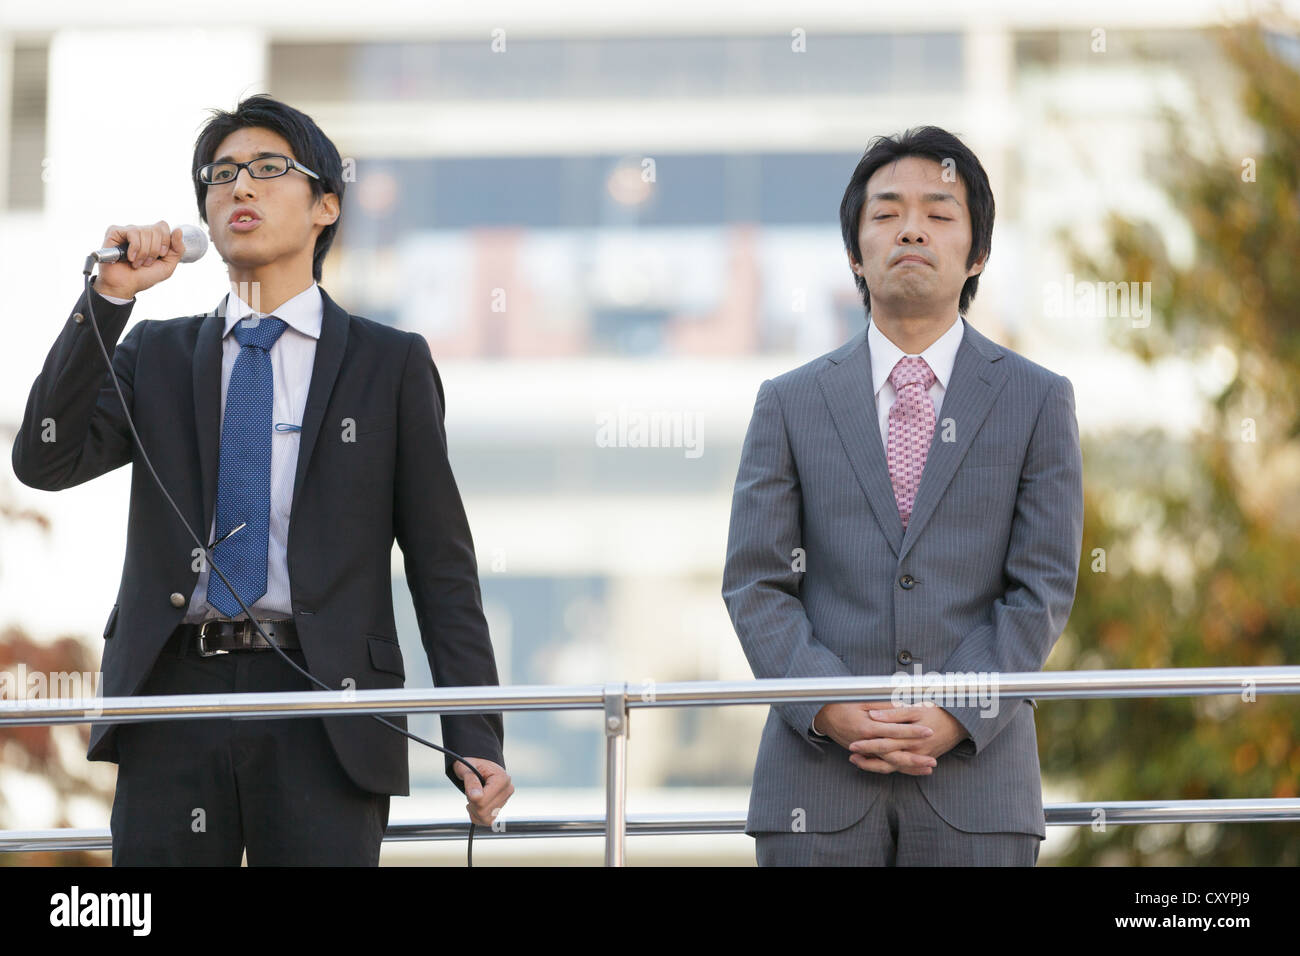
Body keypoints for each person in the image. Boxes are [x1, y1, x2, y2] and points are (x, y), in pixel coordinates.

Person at [11, 94, 512, 865]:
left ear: (325, 205)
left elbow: (442, 566)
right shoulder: (158, 352)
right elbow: (45, 458)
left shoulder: (389, 363)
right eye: (221, 175)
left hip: (328, 706)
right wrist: (107, 298)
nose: (239, 187)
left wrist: (472, 736)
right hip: (171, 697)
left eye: (268, 169)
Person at [722, 126, 1083, 866]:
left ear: (977, 251)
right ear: (855, 252)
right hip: (815, 787)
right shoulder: (788, 403)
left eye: (939, 213)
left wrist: (956, 710)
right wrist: (832, 708)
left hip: (979, 788)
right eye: (885, 213)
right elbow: (756, 582)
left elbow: (1041, 586)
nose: (911, 227)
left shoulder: (1037, 400)